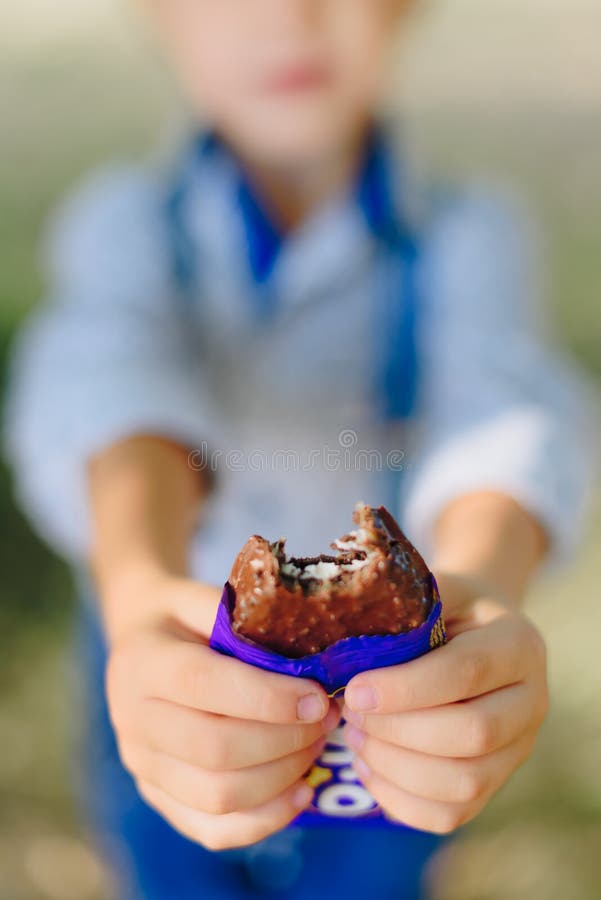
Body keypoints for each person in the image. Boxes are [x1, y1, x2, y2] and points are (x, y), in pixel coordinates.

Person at [4, 1, 597, 897]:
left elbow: (502, 409)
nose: (290, 13)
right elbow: (108, 378)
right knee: (167, 864)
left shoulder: (467, 233)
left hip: (401, 686)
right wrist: (136, 586)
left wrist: (481, 581)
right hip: (166, 655)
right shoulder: (126, 222)